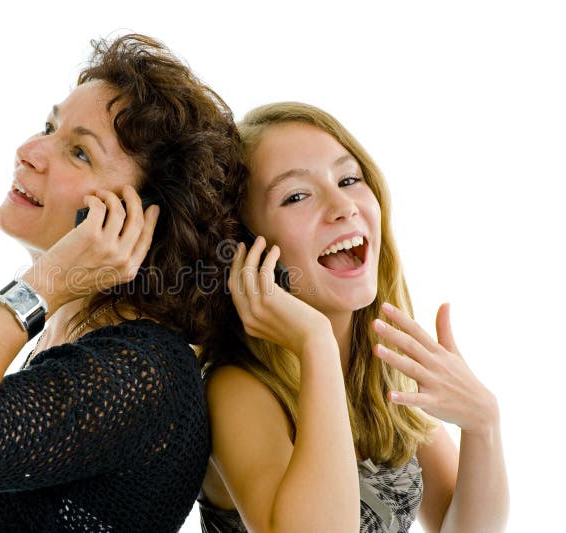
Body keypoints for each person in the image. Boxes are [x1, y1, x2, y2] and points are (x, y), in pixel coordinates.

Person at [0, 34, 245, 532]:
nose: (29, 151)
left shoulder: (144, 370)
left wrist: (46, 282)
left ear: (139, 219)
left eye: (79, 152)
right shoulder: (67, 343)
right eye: (49, 127)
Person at [197, 102, 509, 532]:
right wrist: (315, 342)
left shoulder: (380, 370)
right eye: (297, 196)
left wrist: (484, 424)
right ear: (245, 248)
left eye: (349, 179)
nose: (343, 205)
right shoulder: (235, 388)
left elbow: (464, 529)